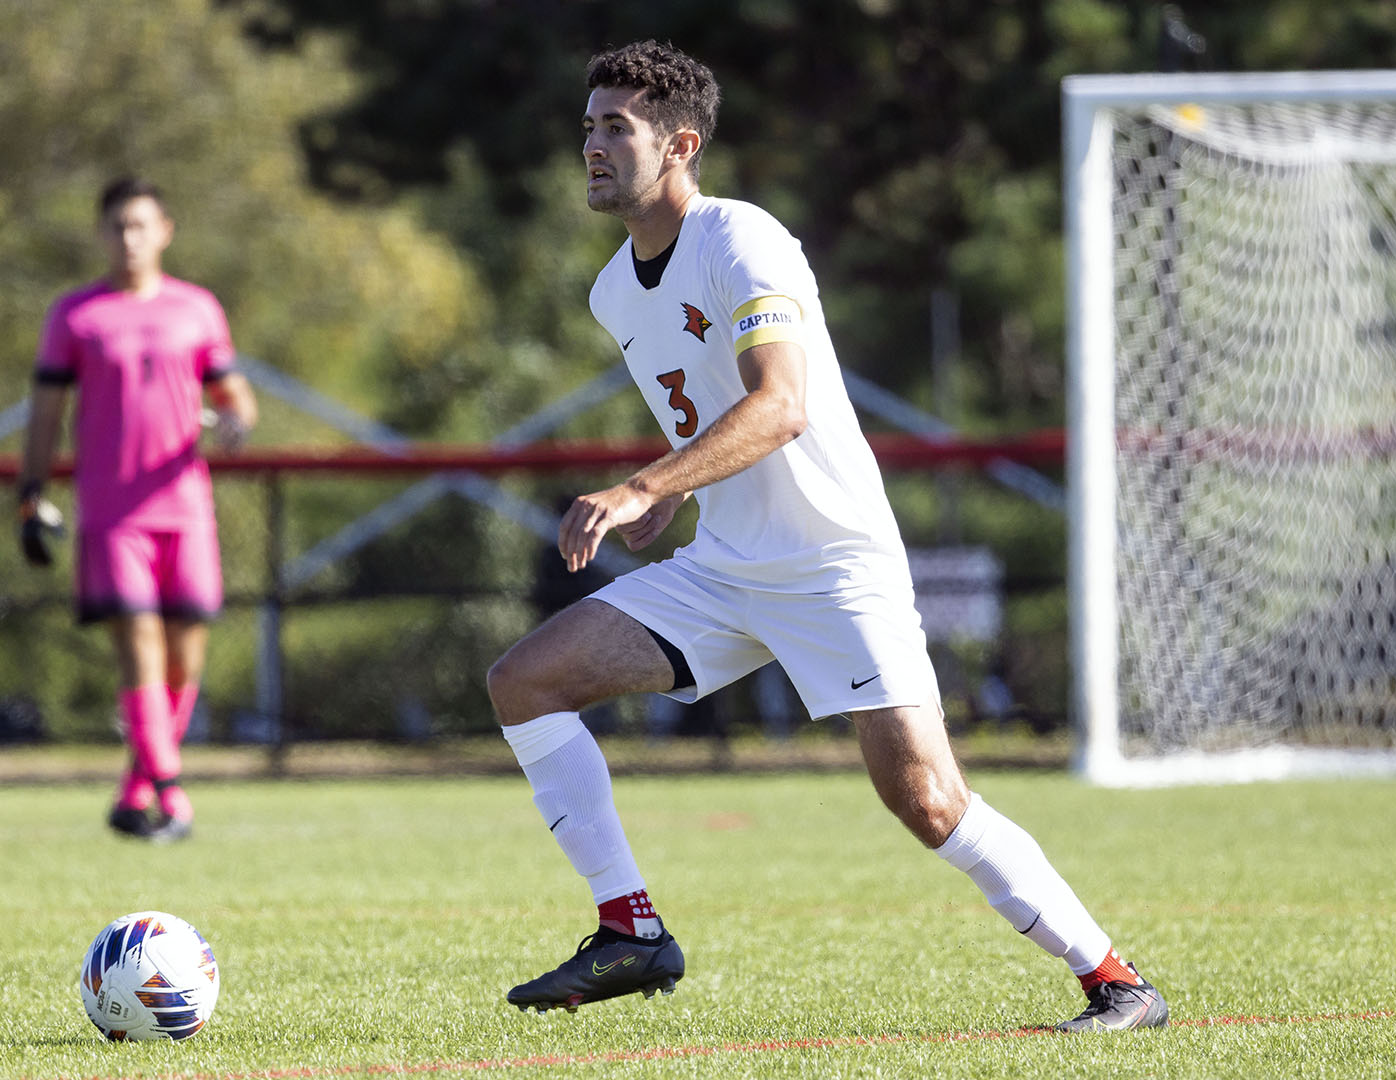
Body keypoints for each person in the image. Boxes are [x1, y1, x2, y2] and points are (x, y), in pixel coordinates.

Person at [487, 42, 1166, 1033]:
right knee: (525, 680)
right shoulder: (612, 291)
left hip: (835, 563)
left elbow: (783, 407)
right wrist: (674, 497)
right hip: (727, 568)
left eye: (614, 128)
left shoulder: (741, 240)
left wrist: (641, 486)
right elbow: (708, 420)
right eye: (587, 126)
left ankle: (1117, 983)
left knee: (928, 800)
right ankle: (630, 928)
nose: (590, 145)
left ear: (678, 144)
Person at [17, 177, 258, 843]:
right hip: (111, 512)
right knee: (140, 645)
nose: (129, 239)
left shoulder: (197, 309)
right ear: (102, 233)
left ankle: (135, 787)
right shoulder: (76, 315)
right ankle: (173, 793)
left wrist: (236, 420)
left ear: (164, 231)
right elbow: (44, 413)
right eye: (117, 226)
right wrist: (30, 492)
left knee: (184, 658)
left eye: (140, 226)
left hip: (186, 508)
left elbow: (234, 393)